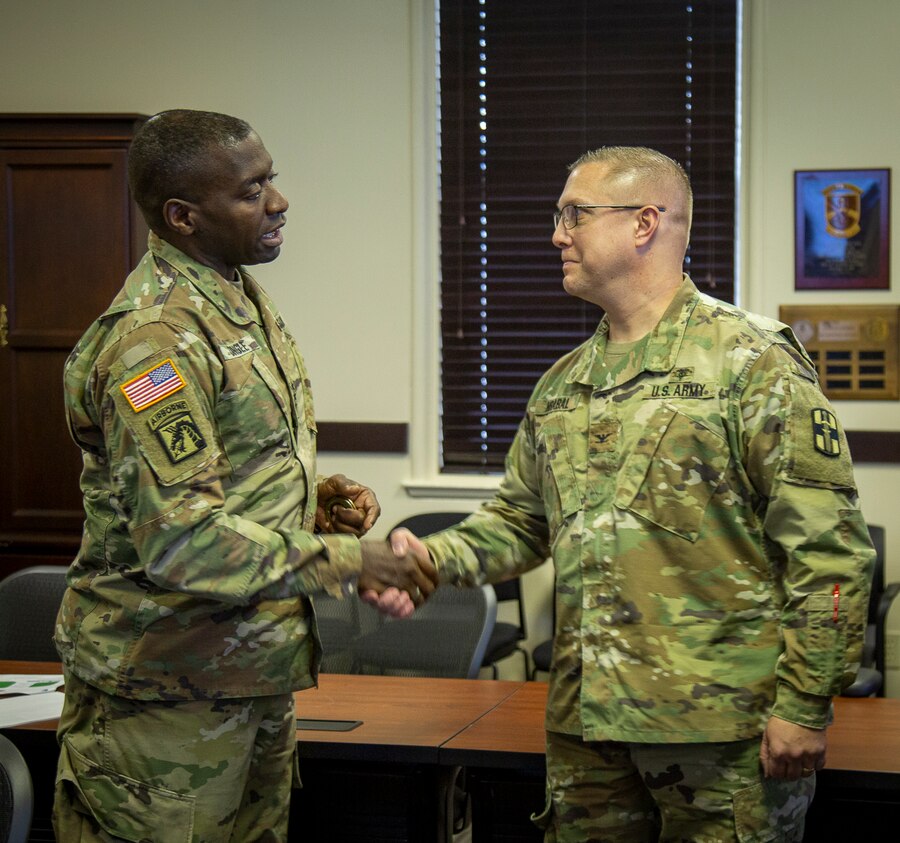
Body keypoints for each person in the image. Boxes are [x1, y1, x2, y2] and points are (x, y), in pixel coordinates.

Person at [392, 146, 874, 842]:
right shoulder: (564, 382)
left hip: (720, 732)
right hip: (588, 725)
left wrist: (805, 701)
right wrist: (427, 558)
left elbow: (829, 551)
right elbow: (521, 522)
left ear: (645, 223)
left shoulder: (751, 361)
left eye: (575, 214)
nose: (558, 234)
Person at [53, 109, 438, 842]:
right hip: (162, 698)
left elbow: (224, 476)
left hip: (250, 675)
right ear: (183, 216)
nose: (279, 202)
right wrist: (354, 559)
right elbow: (181, 542)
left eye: (273, 180)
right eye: (252, 189)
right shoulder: (155, 343)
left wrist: (315, 505)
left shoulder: (237, 301)